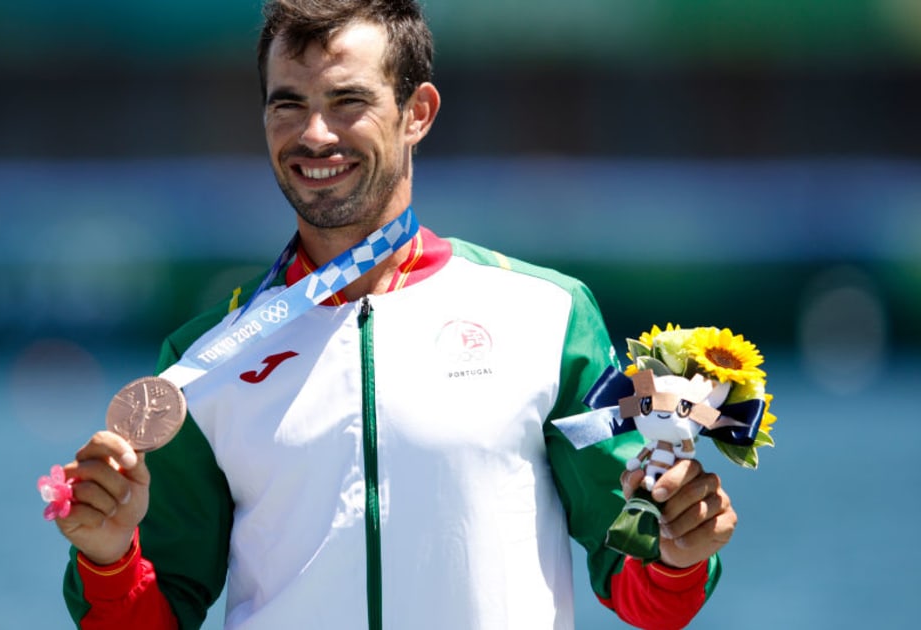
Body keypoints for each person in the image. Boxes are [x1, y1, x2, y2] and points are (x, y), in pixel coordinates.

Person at [51, 1, 738, 628]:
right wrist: (110, 559)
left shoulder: (548, 317)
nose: (314, 135)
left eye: (348, 102)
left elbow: (641, 590)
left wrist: (677, 551)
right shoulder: (203, 361)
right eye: (287, 105)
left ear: (418, 112)